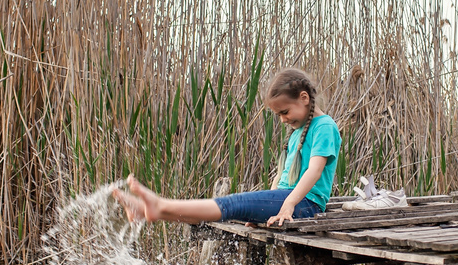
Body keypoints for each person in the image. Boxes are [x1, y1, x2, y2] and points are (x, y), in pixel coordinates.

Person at [113, 68, 341, 227]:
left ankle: (158, 207)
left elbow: (314, 171)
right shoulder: (298, 131)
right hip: (287, 201)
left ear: (304, 98)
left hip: (305, 206)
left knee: (233, 204)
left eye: (284, 112)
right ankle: (149, 211)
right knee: (234, 206)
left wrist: (287, 205)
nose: (282, 120)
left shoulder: (324, 126)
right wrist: (265, 206)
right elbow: (282, 176)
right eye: (278, 114)